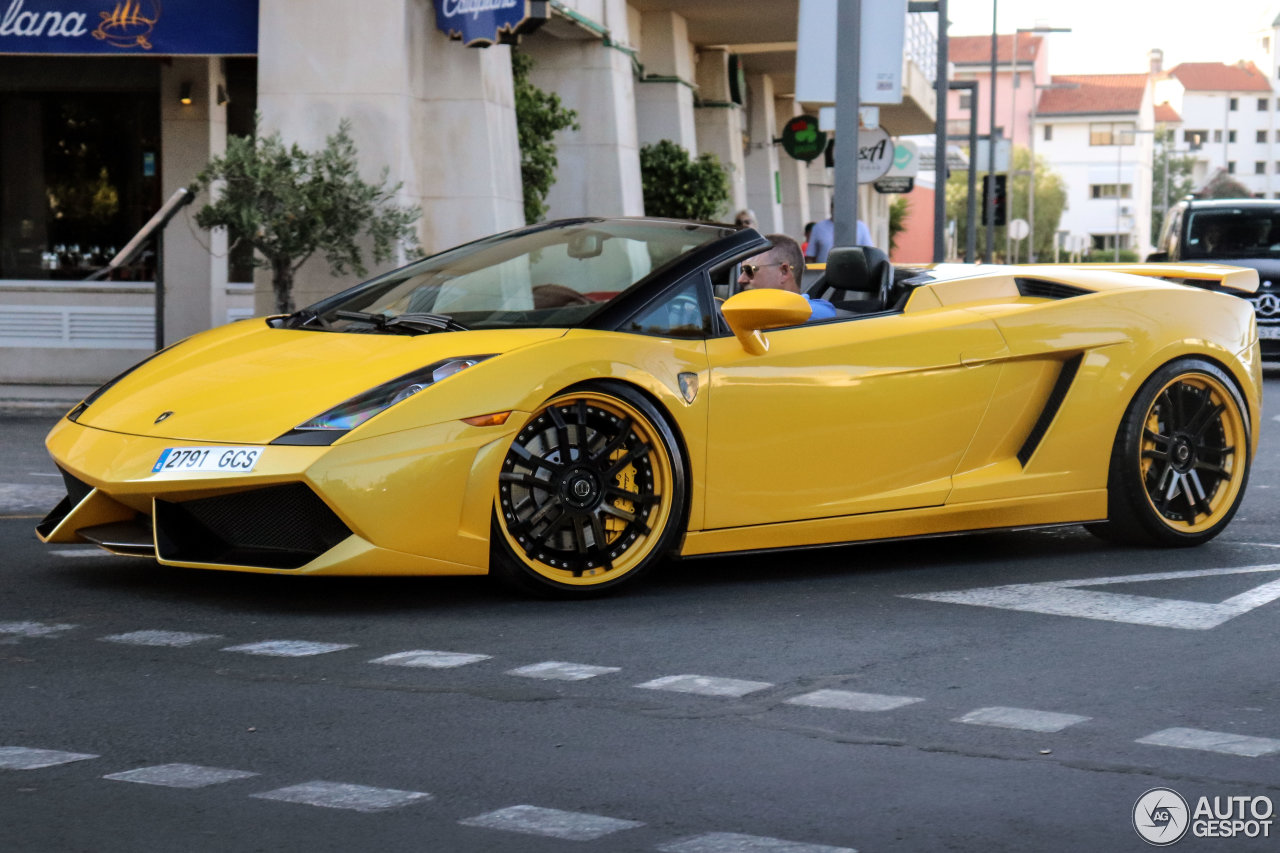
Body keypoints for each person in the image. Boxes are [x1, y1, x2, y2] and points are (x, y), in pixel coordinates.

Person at [737, 234, 836, 321]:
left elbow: (822, 313)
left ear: (784, 271)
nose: (740, 280)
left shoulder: (816, 313)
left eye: (749, 270)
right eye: (742, 271)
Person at [805, 210, 872, 263]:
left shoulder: (861, 227)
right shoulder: (818, 227)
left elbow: (869, 254)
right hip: (824, 275)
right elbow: (810, 257)